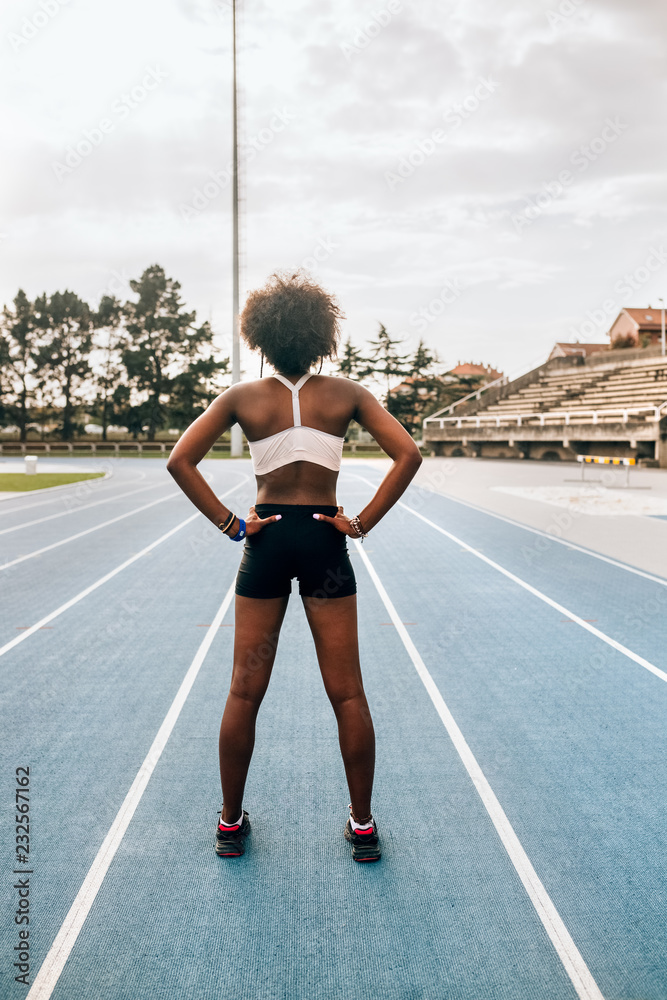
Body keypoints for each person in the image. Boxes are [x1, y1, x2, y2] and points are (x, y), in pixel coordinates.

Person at [167, 270, 422, 862]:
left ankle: (230, 824)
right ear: (321, 334)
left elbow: (181, 461)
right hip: (324, 544)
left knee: (243, 691)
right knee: (348, 694)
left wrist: (233, 526)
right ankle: (362, 826)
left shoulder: (241, 398)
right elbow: (408, 454)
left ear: (260, 337)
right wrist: (360, 524)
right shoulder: (347, 395)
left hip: (269, 540)